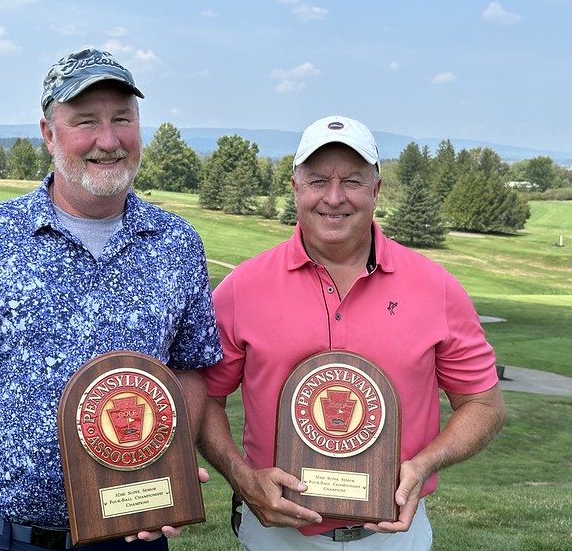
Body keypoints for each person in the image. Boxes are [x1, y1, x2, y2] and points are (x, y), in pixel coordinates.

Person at [0, 48, 222, 551]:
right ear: (49, 133)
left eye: (123, 119)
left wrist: (172, 463)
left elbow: (189, 368)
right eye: (85, 121)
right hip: (9, 538)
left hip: (134, 535)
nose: (108, 140)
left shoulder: (177, 243)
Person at [197, 115, 507, 550]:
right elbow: (203, 397)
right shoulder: (242, 289)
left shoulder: (435, 288)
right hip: (277, 534)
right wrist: (243, 477)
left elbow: (483, 403)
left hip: (392, 535)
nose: (335, 197)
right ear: (296, 187)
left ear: (377, 190)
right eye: (319, 180)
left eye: (354, 181)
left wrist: (424, 464)